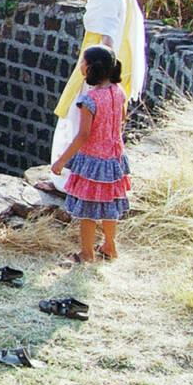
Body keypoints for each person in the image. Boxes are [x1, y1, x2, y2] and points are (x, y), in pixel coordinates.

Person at [38, 0, 146, 195]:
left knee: (74, 123)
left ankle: (65, 181)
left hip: (96, 67)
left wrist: (95, 76)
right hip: (104, 67)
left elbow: (107, 38)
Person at [50, 45, 130, 263]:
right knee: (109, 206)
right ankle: (110, 246)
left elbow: (83, 135)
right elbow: (122, 120)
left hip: (93, 162)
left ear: (92, 68)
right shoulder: (119, 92)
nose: (81, 66)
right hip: (114, 159)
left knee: (88, 210)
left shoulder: (90, 100)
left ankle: (87, 253)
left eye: (83, 62)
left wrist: (62, 160)